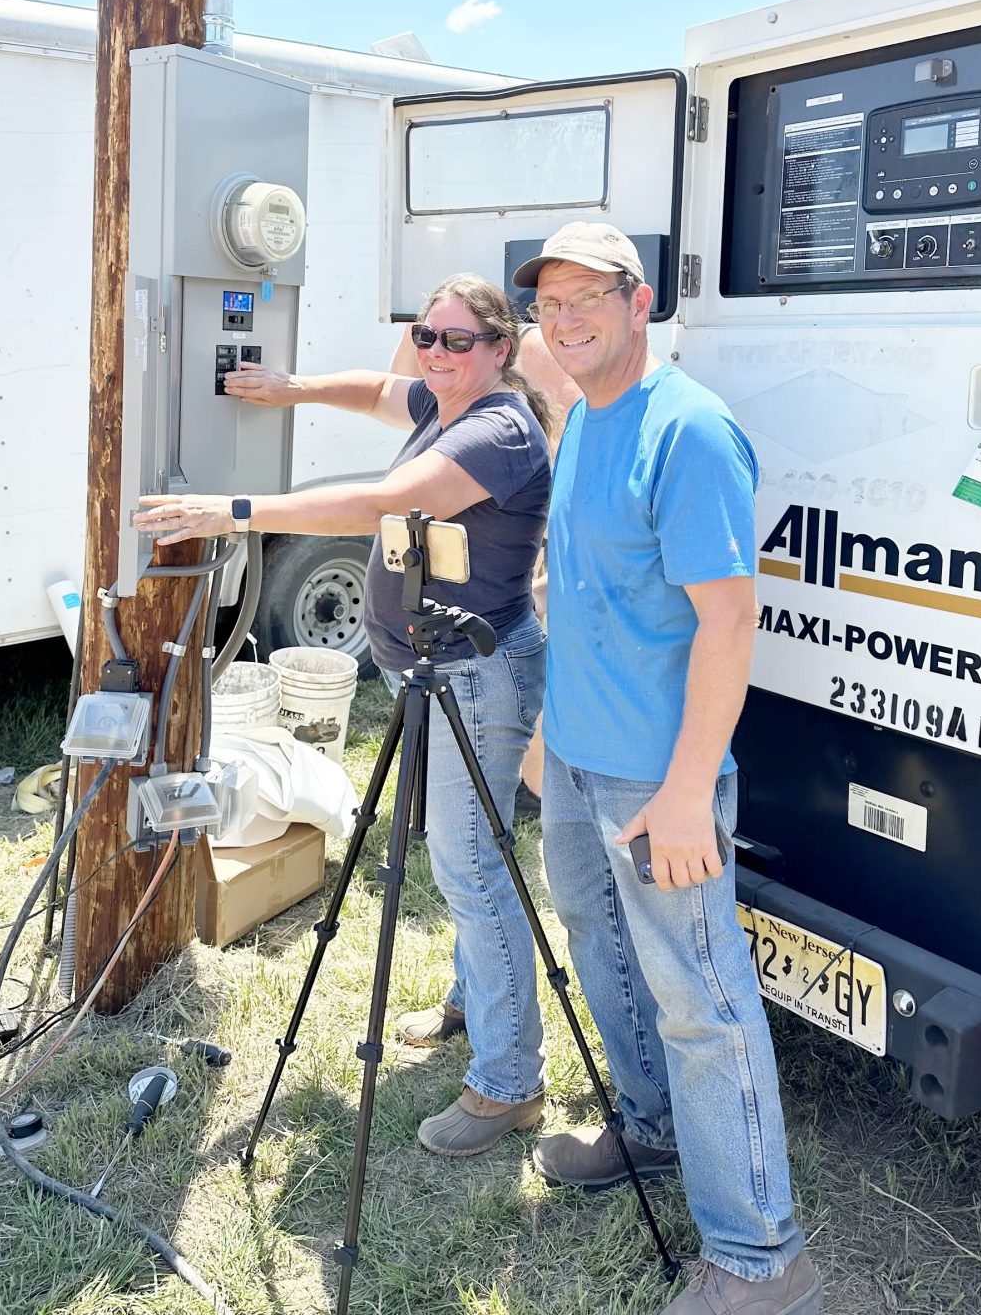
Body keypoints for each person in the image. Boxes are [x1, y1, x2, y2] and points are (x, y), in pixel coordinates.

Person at [135, 274, 553, 1158]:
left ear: (501, 350)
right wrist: (290, 387)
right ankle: (475, 1001)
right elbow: (374, 388)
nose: (436, 355)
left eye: (458, 342)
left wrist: (234, 510)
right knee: (459, 856)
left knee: (471, 867)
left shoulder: (498, 428)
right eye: (427, 336)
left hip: (476, 676)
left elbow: (379, 503)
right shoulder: (446, 401)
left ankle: (510, 1082)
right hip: (432, 673)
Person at [512, 224, 822, 1315]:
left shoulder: (686, 428)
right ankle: (646, 1127)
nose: (566, 317)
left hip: (659, 784)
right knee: (603, 951)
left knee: (703, 1001)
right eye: (548, 301)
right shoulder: (588, 416)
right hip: (585, 762)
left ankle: (761, 1256)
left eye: (588, 295)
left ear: (638, 300)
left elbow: (730, 620)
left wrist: (690, 789)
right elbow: (584, 596)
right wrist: (551, 730)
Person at [389, 321, 582, 819]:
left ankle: (531, 791)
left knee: (552, 650)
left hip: (548, 528)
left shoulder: (521, 412)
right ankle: (511, 787)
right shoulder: (494, 383)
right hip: (537, 525)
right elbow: (396, 379)